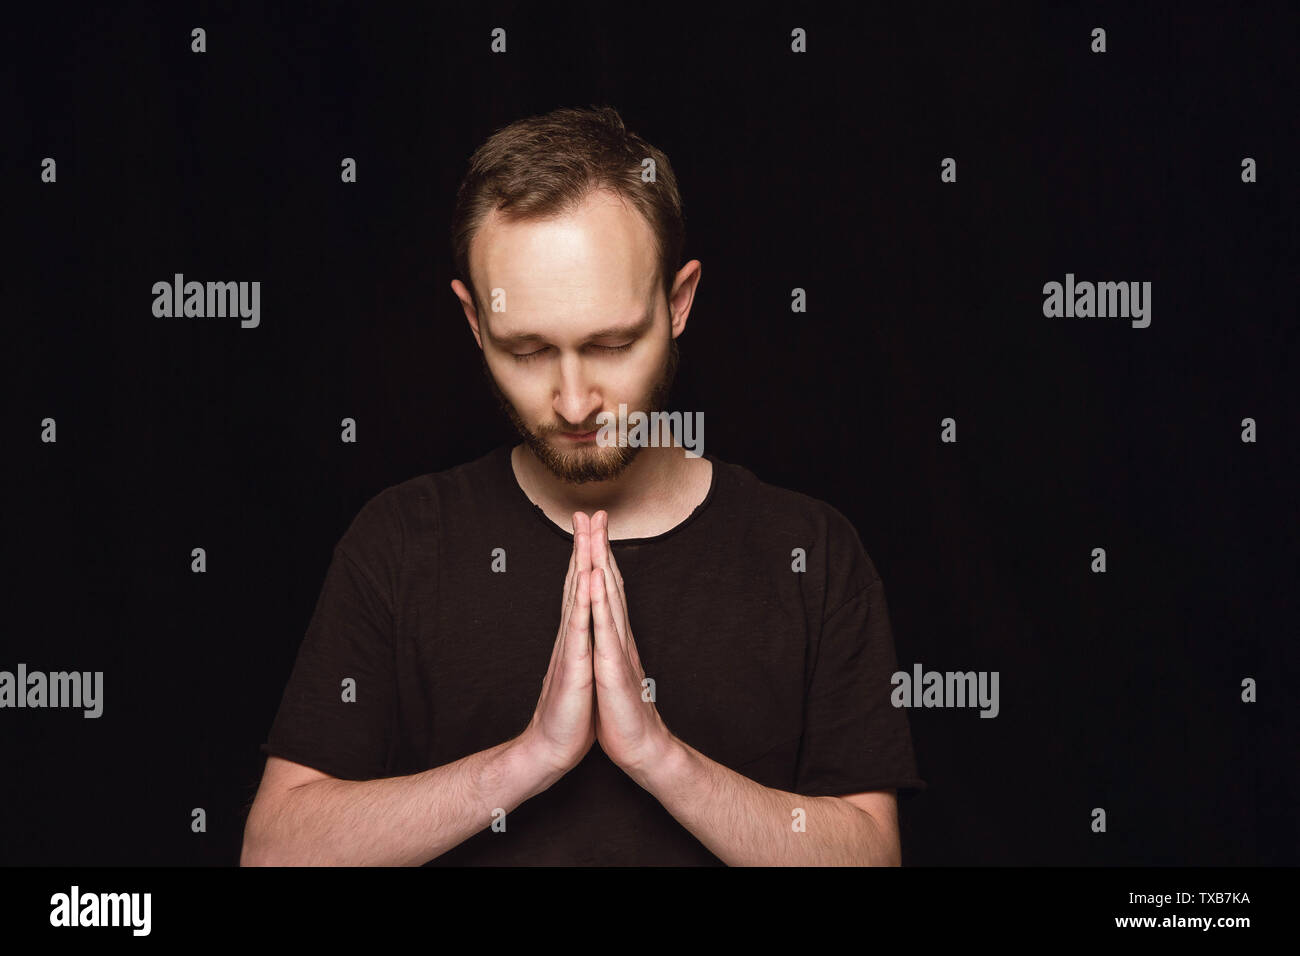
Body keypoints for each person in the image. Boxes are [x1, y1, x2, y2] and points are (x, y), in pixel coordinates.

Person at [241, 105, 925, 866]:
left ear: (679, 301)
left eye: (612, 343)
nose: (574, 403)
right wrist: (530, 758)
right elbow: (274, 853)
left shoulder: (811, 553)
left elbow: (871, 856)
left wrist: (659, 758)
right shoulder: (401, 542)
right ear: (474, 320)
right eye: (528, 350)